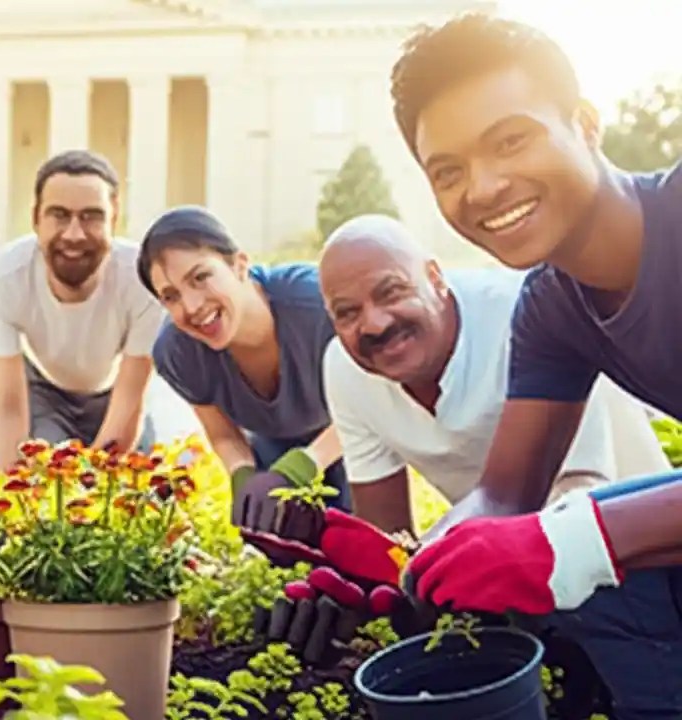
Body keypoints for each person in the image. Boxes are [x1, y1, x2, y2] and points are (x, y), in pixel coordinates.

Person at [382, 13, 682, 717]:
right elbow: (507, 495)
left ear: (584, 122)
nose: (482, 189)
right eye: (447, 172)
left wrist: (576, 541)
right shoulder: (551, 308)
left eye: (510, 141)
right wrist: (417, 564)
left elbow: (567, 537)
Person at [317, 214, 668, 533]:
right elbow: (387, 534)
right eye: (347, 313)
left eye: (391, 292)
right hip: (500, 558)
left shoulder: (528, 316)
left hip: (640, 541)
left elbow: (581, 492)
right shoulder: (345, 370)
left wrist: (451, 552)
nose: (374, 324)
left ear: (435, 278)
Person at [138, 205, 352, 536]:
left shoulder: (316, 304)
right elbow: (223, 433)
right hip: (271, 439)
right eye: (171, 296)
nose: (192, 307)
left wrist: (306, 465)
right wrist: (242, 474)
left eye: (200, 277)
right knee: (279, 547)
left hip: (356, 435)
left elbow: (377, 399)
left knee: (362, 546)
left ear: (239, 265)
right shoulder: (178, 353)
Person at [0, 150, 165, 471]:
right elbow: (8, 405)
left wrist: (95, 486)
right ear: (36, 218)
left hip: (114, 393)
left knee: (135, 493)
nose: (74, 234)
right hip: (44, 393)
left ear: (114, 218)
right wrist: (13, 491)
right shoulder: (3, 278)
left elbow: (131, 394)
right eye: (59, 215)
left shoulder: (142, 279)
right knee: (44, 477)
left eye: (91, 216)